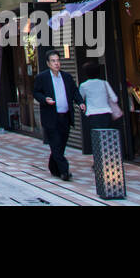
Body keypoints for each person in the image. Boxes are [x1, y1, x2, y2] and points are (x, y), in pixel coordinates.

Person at [32, 50, 85, 180]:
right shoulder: (42, 77)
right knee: (55, 143)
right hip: (51, 117)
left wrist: (80, 102)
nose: (56, 63)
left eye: (58, 60)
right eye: (53, 61)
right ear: (48, 63)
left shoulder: (67, 77)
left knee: (60, 145)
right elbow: (36, 93)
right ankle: (65, 171)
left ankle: (53, 167)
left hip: (65, 116)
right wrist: (44, 99)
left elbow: (74, 91)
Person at [77, 61, 121, 154]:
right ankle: (109, 156)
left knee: (96, 138)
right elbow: (115, 98)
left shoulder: (84, 85)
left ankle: (98, 158)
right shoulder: (104, 83)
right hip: (106, 114)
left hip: (92, 115)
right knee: (107, 137)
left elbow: (80, 99)